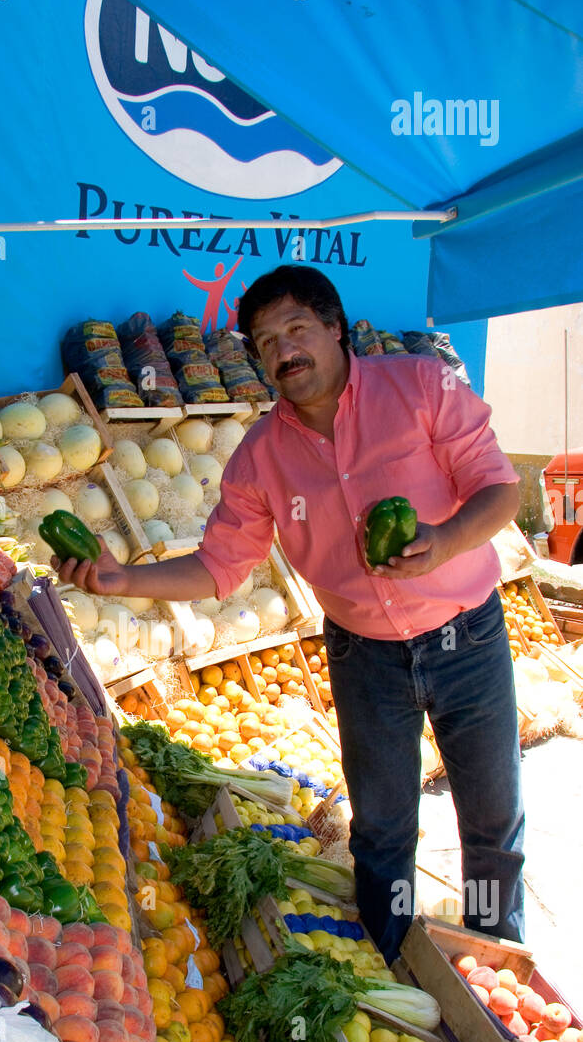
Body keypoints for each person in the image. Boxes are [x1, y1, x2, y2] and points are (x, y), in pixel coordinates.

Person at [53, 266, 524, 961]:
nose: (284, 350)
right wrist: (123, 579)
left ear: (336, 328)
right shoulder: (261, 457)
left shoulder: (421, 387)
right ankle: (393, 960)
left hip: (466, 634)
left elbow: (498, 490)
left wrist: (442, 543)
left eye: (297, 329)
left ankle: (496, 965)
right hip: (365, 655)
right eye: (267, 340)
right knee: (383, 830)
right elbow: (219, 568)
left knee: (490, 821)